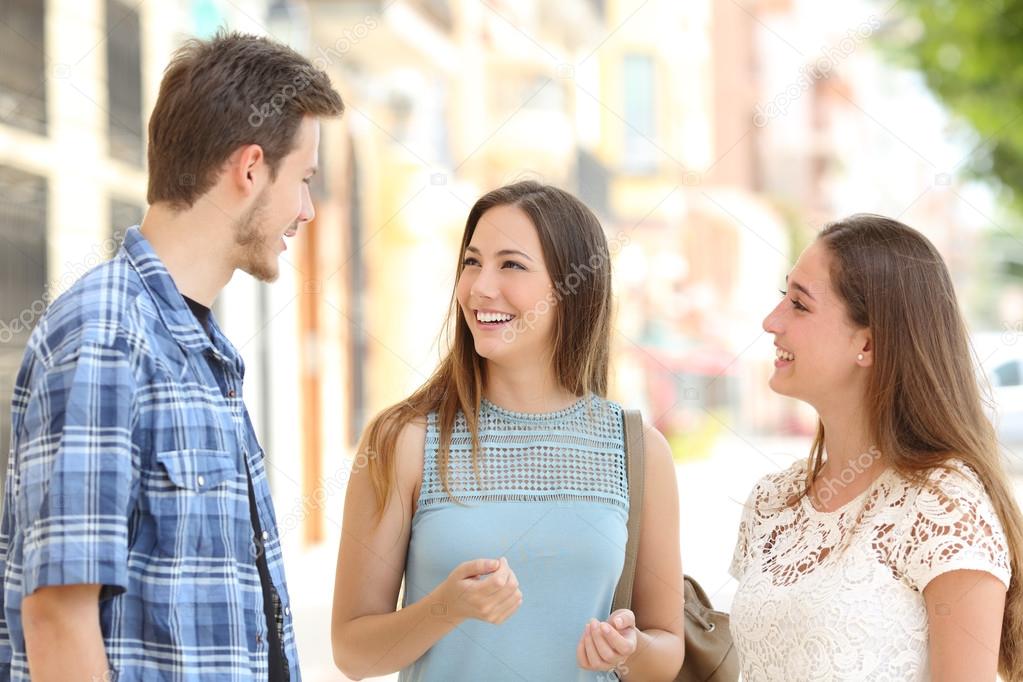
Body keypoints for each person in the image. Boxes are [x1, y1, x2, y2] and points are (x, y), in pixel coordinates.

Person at [0, 31, 344, 681]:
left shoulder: (199, 348)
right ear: (249, 169)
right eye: (303, 181)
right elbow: (55, 617)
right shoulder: (106, 336)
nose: (306, 211)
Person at [330, 181, 685, 681]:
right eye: (472, 262)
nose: (479, 287)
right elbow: (352, 652)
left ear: (572, 288)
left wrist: (628, 649)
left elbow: (667, 651)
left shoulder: (638, 450)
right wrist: (444, 610)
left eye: (511, 265)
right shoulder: (403, 440)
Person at [729, 214, 1023, 681]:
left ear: (868, 342)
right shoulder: (772, 502)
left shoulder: (945, 508)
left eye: (800, 305)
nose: (771, 321)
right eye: (781, 298)